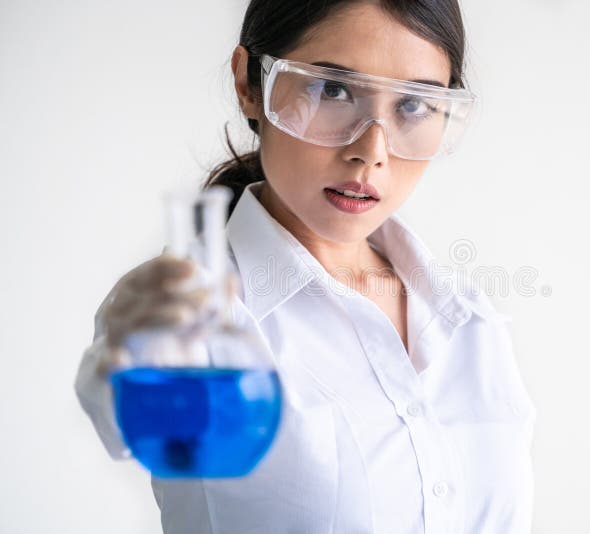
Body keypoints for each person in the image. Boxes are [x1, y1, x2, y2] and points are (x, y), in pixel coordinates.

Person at [74, 0, 536, 532]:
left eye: (412, 103)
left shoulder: (467, 320)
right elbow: (125, 413)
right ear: (250, 84)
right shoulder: (200, 312)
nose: (372, 151)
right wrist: (138, 350)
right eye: (333, 90)